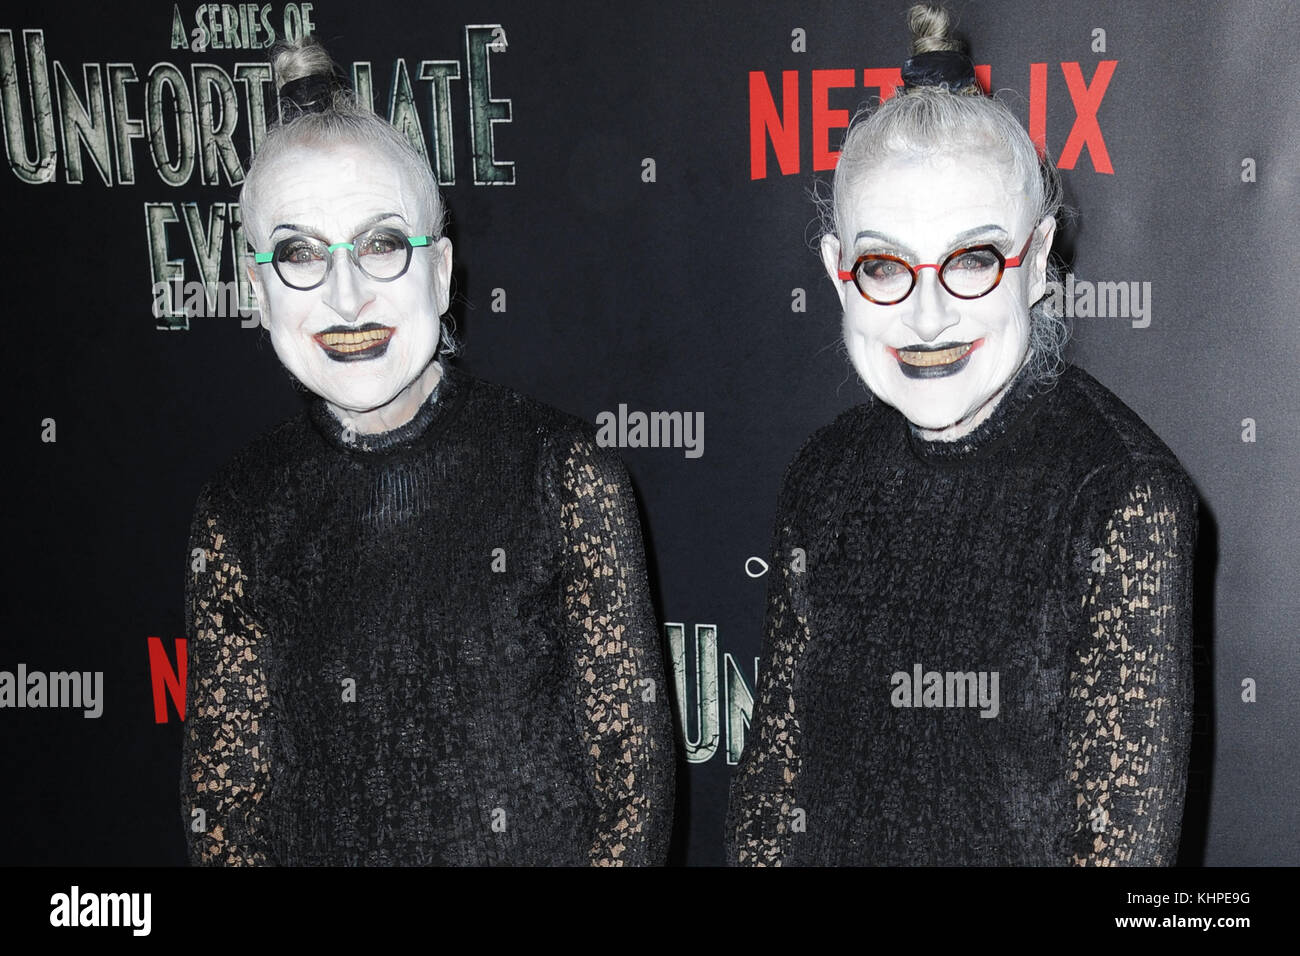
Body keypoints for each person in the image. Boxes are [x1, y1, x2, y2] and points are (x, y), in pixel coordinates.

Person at [180, 35, 674, 865]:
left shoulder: (562, 476)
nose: (346, 295)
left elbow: (633, 798)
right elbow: (222, 816)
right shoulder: (237, 513)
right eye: (300, 254)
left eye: (381, 245)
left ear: (440, 274)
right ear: (257, 290)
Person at [725, 4, 1197, 866]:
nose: (927, 314)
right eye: (884, 265)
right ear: (839, 274)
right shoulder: (823, 475)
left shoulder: (1123, 499)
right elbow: (771, 791)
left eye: (974, 258)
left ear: (1040, 257)